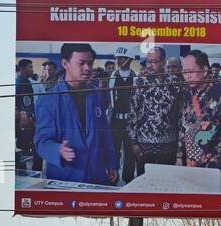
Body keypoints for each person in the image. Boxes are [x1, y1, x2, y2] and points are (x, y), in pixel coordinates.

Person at [32, 42, 118, 185]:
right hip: (67, 177)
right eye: (81, 63)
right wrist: (58, 150)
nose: (87, 68)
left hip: (97, 175)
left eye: (90, 63)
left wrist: (112, 163)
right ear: (65, 63)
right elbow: (41, 141)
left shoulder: (96, 95)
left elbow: (105, 133)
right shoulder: (48, 100)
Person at [179, 49, 221, 173]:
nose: (187, 76)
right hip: (190, 163)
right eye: (184, 72)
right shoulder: (186, 93)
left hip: (216, 164)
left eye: (191, 71)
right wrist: (179, 156)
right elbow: (183, 127)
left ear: (205, 70)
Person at [129, 46, 183, 173]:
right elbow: (133, 113)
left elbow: (181, 116)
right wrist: (133, 142)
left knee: (167, 183)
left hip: (169, 146)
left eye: (154, 61)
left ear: (163, 62)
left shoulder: (175, 83)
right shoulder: (139, 82)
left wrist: (180, 150)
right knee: (145, 183)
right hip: (143, 146)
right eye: (148, 61)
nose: (149, 65)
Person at [107, 46, 138, 183]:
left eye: (122, 58)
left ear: (130, 59)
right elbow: (111, 98)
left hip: (130, 121)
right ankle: (113, 175)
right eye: (117, 58)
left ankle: (128, 178)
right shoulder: (114, 75)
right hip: (116, 120)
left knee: (129, 151)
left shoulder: (135, 76)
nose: (119, 60)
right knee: (114, 149)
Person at [16, 59, 38, 168]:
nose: (32, 70)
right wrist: (30, 117)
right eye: (30, 67)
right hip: (24, 120)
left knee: (21, 148)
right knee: (25, 148)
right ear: (23, 69)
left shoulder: (19, 81)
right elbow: (26, 103)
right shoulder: (23, 82)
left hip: (21, 118)